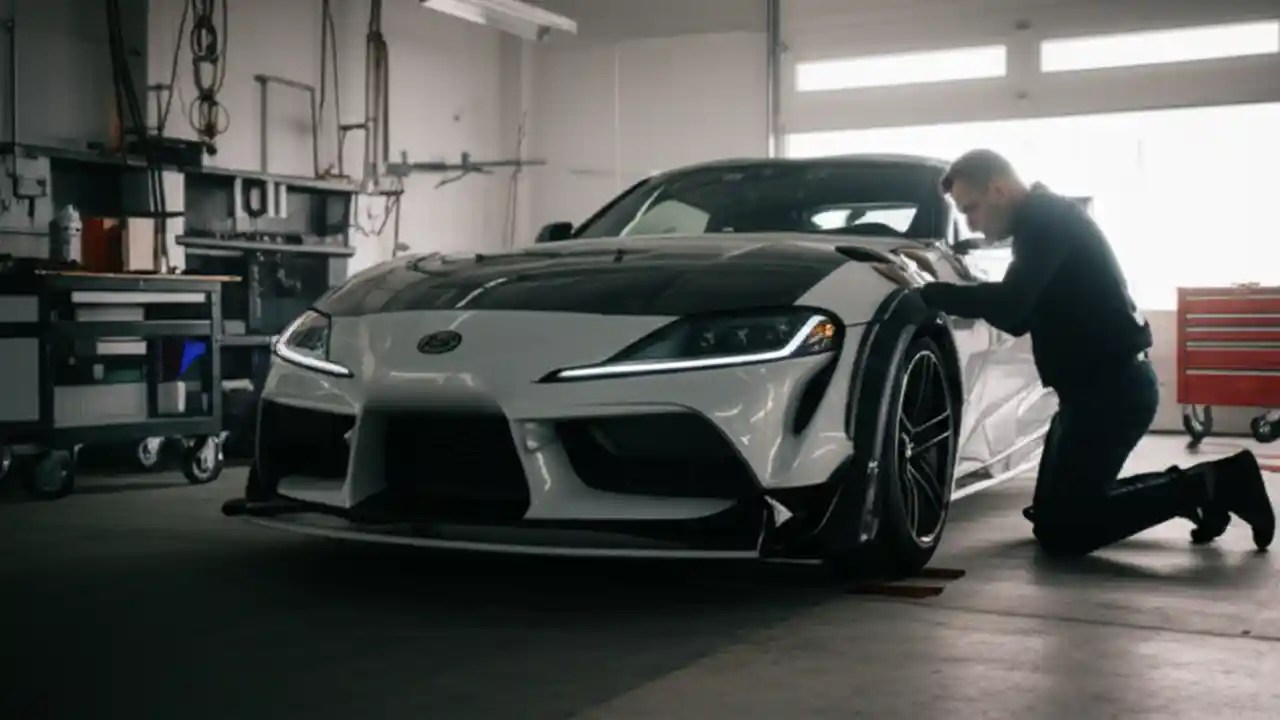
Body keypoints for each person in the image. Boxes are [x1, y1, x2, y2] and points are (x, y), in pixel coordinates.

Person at [918, 148, 1275, 557]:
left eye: (972, 209)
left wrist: (930, 294)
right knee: (1052, 516)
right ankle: (1202, 488)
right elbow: (1019, 317)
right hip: (1093, 392)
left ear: (999, 189)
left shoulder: (1046, 221)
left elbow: (1012, 305)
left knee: (1067, 530)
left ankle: (1217, 484)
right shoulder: (1041, 223)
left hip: (1111, 392)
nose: (971, 224)